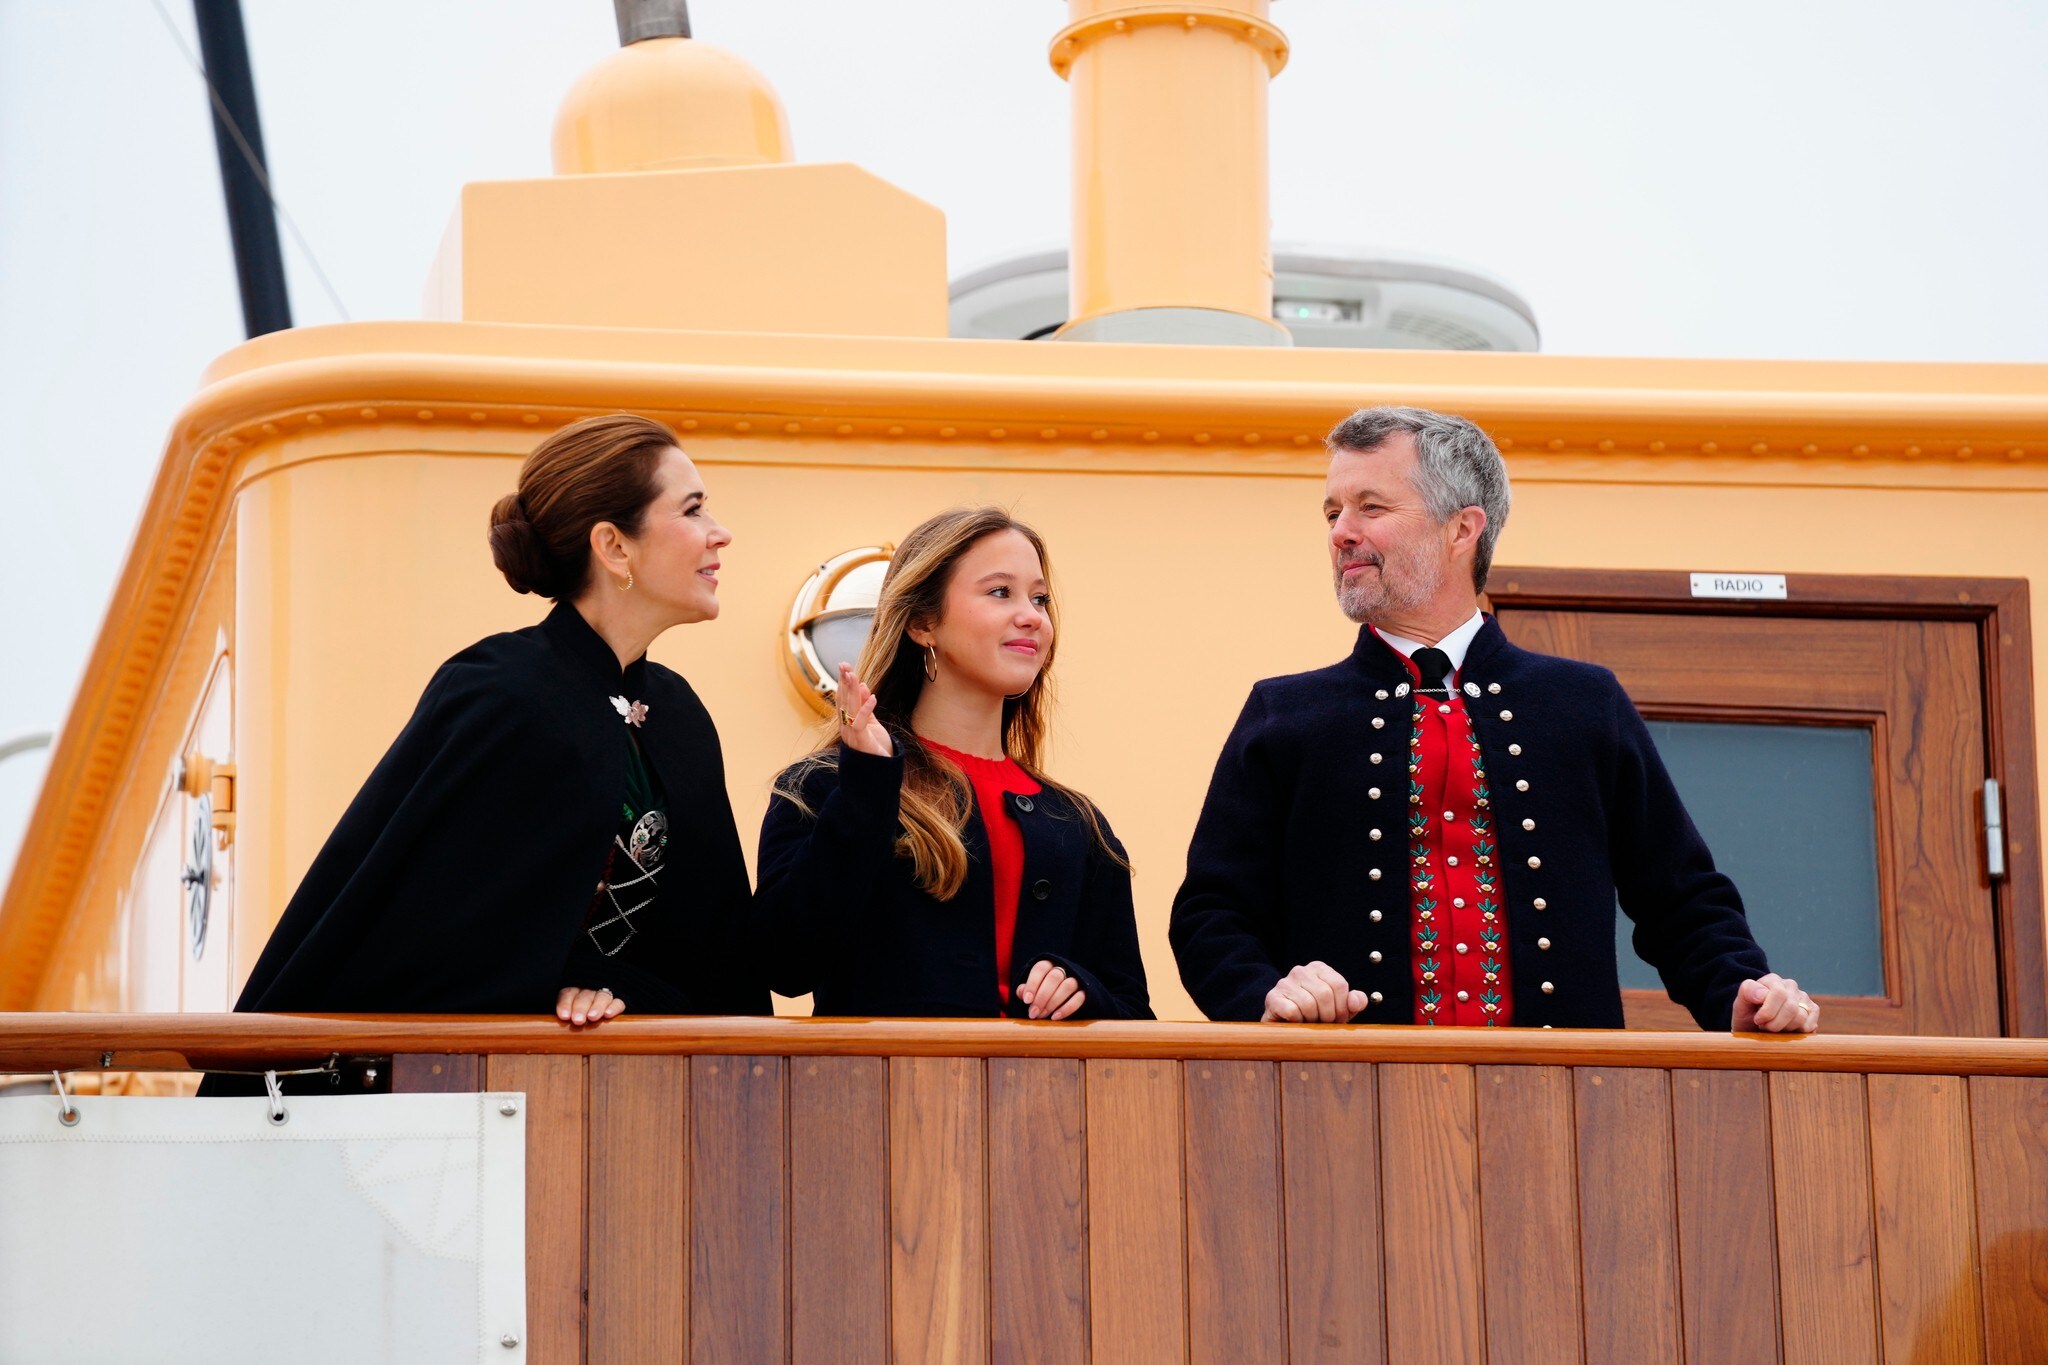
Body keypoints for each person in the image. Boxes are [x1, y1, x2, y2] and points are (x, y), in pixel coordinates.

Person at [1170, 405, 1819, 1033]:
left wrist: (1742, 992)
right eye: (1332, 512)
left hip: (1564, 1095)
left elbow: (1681, 899)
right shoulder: (1284, 714)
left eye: (1371, 507)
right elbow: (1211, 915)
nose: (1341, 532)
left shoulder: (1583, 702)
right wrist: (1267, 994)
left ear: (1462, 529)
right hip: (1348, 1092)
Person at [209, 414, 764, 1085]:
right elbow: (425, 935)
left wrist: (617, 987)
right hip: (463, 1101)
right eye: (693, 509)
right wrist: (555, 980)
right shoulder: (500, 693)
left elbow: (714, 952)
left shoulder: (678, 715)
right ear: (614, 547)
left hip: (634, 1093)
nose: (720, 532)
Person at [755, 508, 1152, 1020]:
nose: (1032, 616)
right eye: (1000, 592)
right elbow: (784, 962)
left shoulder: (1079, 824)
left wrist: (1083, 994)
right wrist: (867, 790)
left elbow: (1134, 1013)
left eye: (1039, 599)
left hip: (1042, 1076)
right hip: (884, 1074)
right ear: (923, 623)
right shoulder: (827, 785)